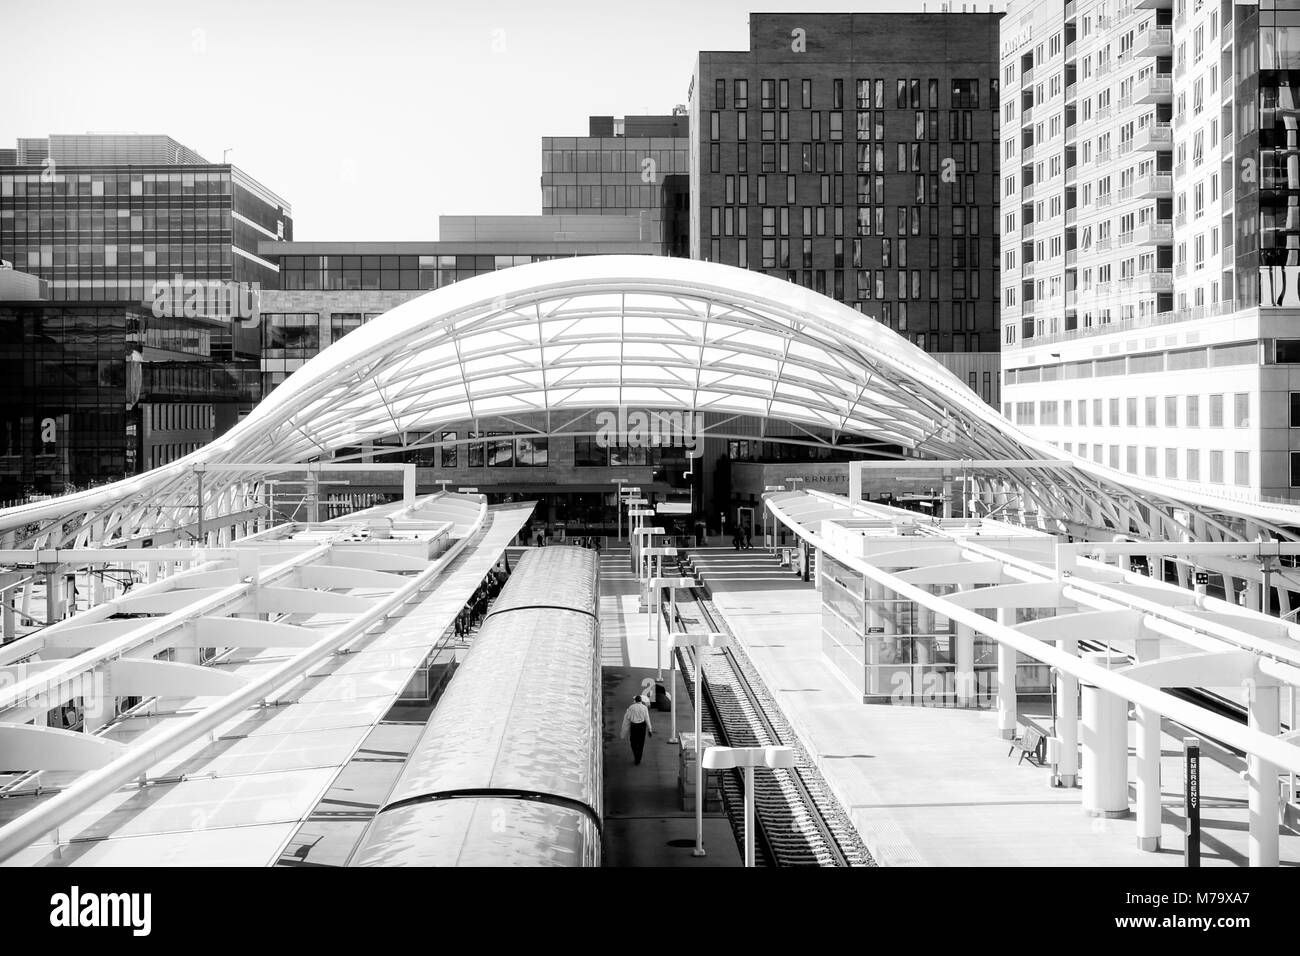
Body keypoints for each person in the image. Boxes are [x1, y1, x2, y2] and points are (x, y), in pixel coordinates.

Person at [620, 695, 654, 765]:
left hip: (634, 726)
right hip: (642, 726)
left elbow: (628, 718)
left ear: (635, 700)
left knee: (633, 742)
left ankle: (636, 756)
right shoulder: (644, 708)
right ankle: (638, 758)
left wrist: (623, 732)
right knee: (641, 743)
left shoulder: (631, 707)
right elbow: (647, 719)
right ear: (641, 700)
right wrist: (650, 729)